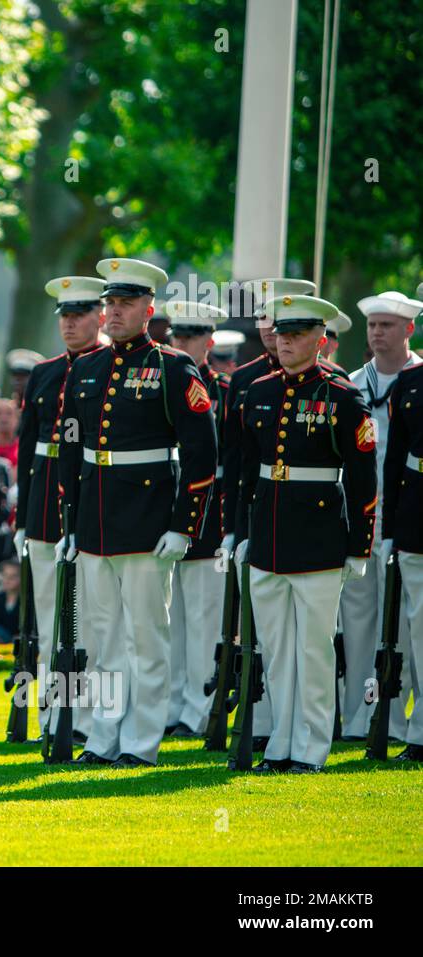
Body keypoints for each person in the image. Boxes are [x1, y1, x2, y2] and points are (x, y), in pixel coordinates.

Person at [56, 258, 218, 767]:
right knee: (103, 642)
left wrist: (183, 524)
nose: (115, 312)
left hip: (148, 522)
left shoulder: (174, 366)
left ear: (149, 309)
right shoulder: (85, 367)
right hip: (96, 522)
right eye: (111, 303)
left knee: (146, 637)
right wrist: (70, 524)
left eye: (126, 303)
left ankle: (141, 742)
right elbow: (70, 450)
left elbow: (201, 453)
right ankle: (103, 739)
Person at [234, 295, 377, 773]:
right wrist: (239, 534)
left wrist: (360, 544)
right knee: (276, 650)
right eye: (281, 333)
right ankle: (280, 743)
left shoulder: (341, 395)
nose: (286, 341)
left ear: (320, 340)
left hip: (318, 538)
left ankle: (311, 747)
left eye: (297, 334)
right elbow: (243, 473)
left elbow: (362, 478)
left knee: (313, 650)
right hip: (268, 535)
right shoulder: (258, 391)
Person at [14, 274, 105, 737]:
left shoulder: (110, 366)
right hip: (46, 505)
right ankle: (53, 716)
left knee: (87, 617)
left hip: (91, 503)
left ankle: (87, 719)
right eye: (64, 317)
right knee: (50, 615)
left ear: (100, 315)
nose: (69, 325)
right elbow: (29, 447)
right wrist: (22, 516)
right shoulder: (45, 373)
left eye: (79, 315)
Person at [339, 290, 421, 740]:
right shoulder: (353, 384)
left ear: (409, 330)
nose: (376, 333)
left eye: (387, 325)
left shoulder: (420, 380)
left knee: (407, 622)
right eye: (372, 326)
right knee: (358, 620)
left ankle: (397, 716)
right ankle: (360, 715)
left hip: (407, 515)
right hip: (362, 517)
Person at [163, 299, 231, 736]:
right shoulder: (165, 382)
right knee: (171, 622)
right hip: (168, 510)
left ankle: (199, 710)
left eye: (191, 336)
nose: (183, 343)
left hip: (210, 515)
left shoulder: (225, 390)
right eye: (177, 336)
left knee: (204, 620)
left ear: (209, 341)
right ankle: (171, 707)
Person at [382, 358, 423, 760]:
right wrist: (389, 529)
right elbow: (394, 460)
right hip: (416, 512)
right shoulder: (408, 383)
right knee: (420, 630)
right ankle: (421, 734)